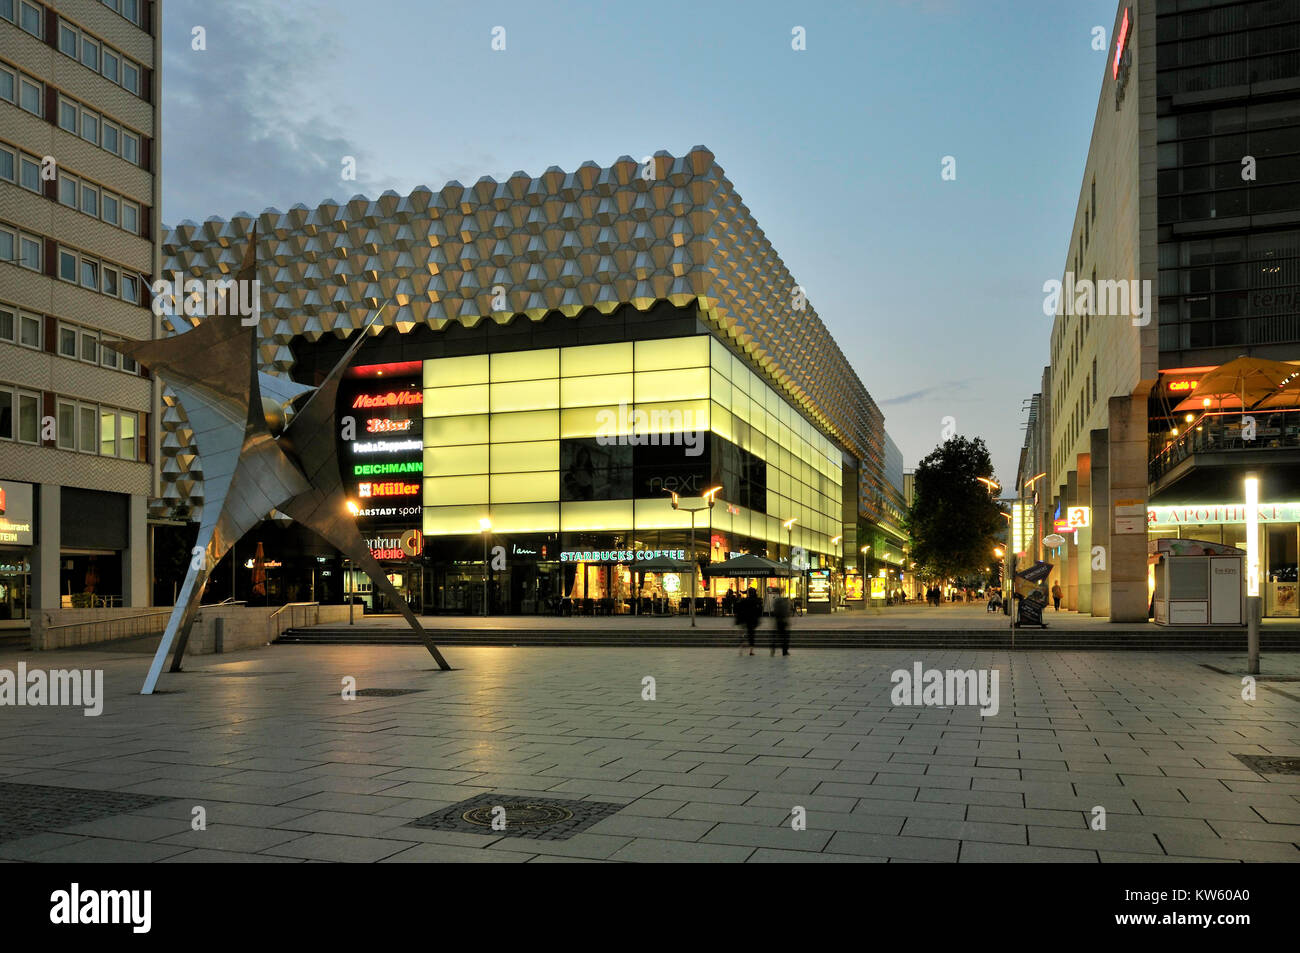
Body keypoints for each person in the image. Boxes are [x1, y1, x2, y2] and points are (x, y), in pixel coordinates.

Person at [737, 587, 761, 655]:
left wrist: (739, 620)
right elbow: (758, 611)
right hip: (752, 620)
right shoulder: (756, 601)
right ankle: (751, 651)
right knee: (751, 635)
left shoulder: (744, 600)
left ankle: (741, 649)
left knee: (744, 634)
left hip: (744, 619)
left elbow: (739, 609)